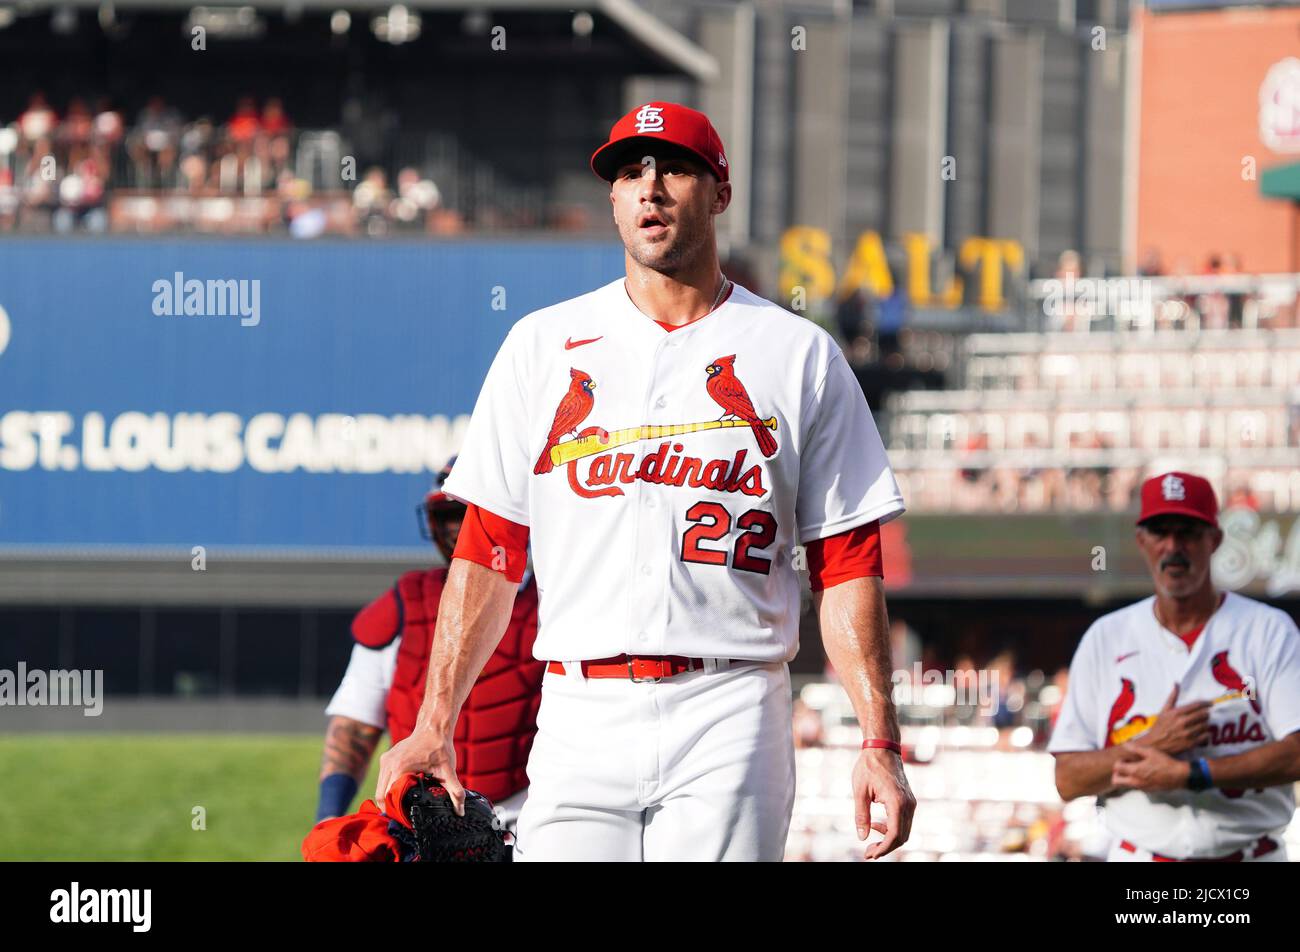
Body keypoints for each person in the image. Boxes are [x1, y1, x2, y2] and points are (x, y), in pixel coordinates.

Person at [375, 101, 915, 861]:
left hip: (730, 703)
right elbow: (490, 548)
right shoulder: (542, 346)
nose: (650, 188)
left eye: (675, 168)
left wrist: (878, 737)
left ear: (719, 193)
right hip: (576, 710)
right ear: (614, 198)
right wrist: (435, 723)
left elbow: (849, 560)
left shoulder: (798, 354)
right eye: (631, 171)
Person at [1049, 471, 1300, 861]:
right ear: (1141, 541)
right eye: (1160, 532)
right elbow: (1068, 779)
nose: (1173, 546)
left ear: (1214, 540)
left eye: (1188, 532)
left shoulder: (1268, 630)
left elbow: (1297, 752)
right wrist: (1150, 742)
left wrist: (1191, 773)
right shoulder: (1106, 637)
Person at [315, 456, 543, 835]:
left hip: (529, 820)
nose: (459, 529)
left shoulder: (551, 602)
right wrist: (328, 819)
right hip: (421, 821)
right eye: (449, 516)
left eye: (469, 515)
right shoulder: (408, 603)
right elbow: (354, 726)